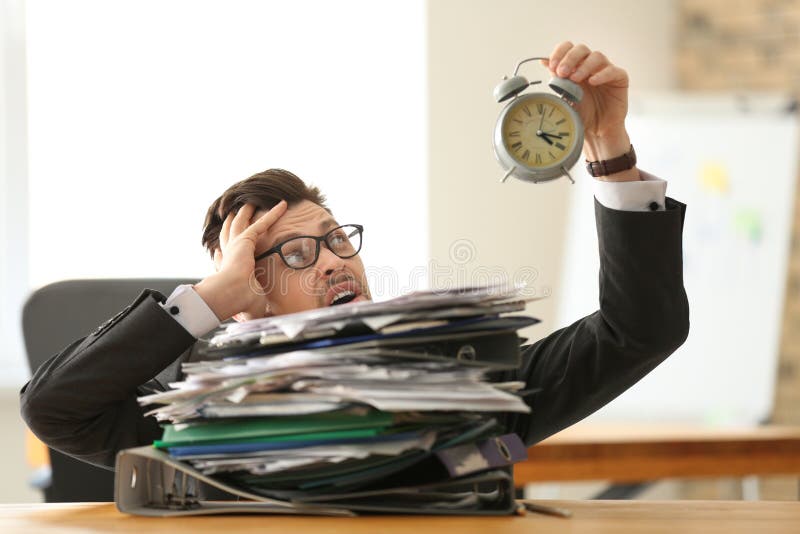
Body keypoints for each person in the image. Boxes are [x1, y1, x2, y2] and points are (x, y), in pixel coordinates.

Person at [20, 42, 689, 470]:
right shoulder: (197, 419)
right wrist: (212, 297)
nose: (336, 261)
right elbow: (54, 409)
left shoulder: (454, 379)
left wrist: (607, 144)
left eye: (339, 240)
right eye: (297, 254)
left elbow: (640, 330)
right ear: (248, 297)